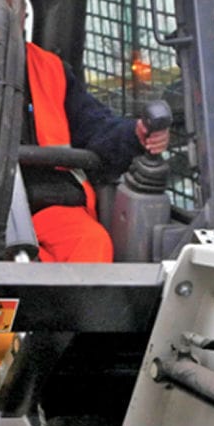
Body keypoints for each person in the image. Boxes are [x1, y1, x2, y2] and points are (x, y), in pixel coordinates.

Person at [21, 41, 169, 262]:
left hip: (48, 204)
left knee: (91, 243)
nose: (9, 8)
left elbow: (96, 129)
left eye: (16, 3)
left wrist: (135, 134)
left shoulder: (50, 69)